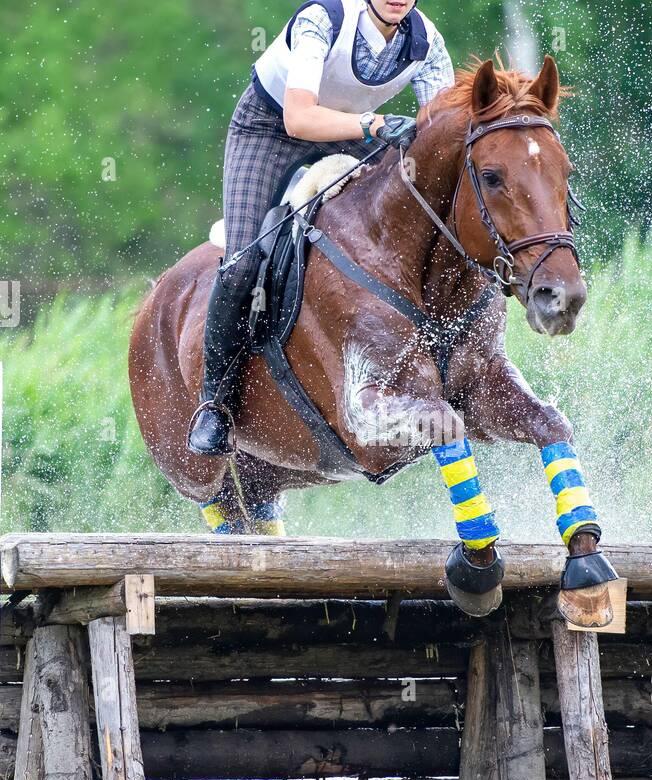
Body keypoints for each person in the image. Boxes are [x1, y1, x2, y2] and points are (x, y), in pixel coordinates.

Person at [187, 0, 456, 455]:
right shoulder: (323, 19)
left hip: (353, 133)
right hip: (270, 130)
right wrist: (374, 124)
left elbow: (441, 130)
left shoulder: (427, 42)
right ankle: (215, 403)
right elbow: (299, 116)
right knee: (242, 263)